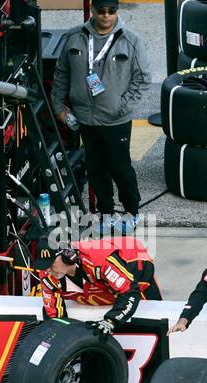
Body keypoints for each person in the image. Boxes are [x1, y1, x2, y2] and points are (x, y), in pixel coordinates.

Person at [51, 0, 148, 233]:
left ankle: (131, 211)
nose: (106, 16)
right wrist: (59, 107)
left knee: (120, 166)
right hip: (85, 118)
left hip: (116, 120)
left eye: (111, 12)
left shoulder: (130, 40)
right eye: (101, 11)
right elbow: (62, 73)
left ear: (117, 11)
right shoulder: (74, 37)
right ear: (92, 11)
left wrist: (122, 107)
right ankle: (105, 213)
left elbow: (143, 78)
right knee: (95, 168)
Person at [31, 238, 161, 332]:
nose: (47, 270)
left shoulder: (99, 261)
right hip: (99, 289)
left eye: (51, 264)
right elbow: (54, 317)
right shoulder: (47, 276)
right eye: (43, 266)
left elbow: (130, 292)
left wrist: (111, 320)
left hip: (136, 270)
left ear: (68, 255)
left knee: (153, 324)